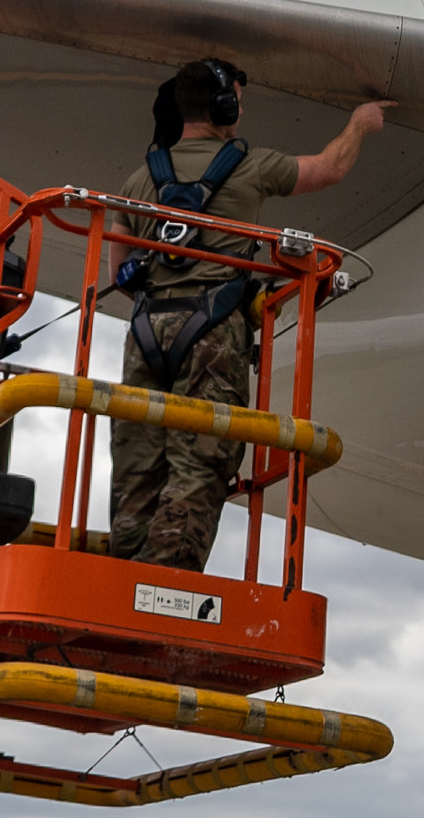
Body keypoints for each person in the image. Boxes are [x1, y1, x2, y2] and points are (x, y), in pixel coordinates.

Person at [109, 58, 390, 572]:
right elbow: (330, 168)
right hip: (212, 332)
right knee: (199, 463)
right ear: (223, 106)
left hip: (145, 333)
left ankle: (121, 576)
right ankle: (160, 586)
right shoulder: (251, 166)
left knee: (136, 468)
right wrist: (360, 123)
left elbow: (119, 272)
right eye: (237, 101)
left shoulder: (137, 180)